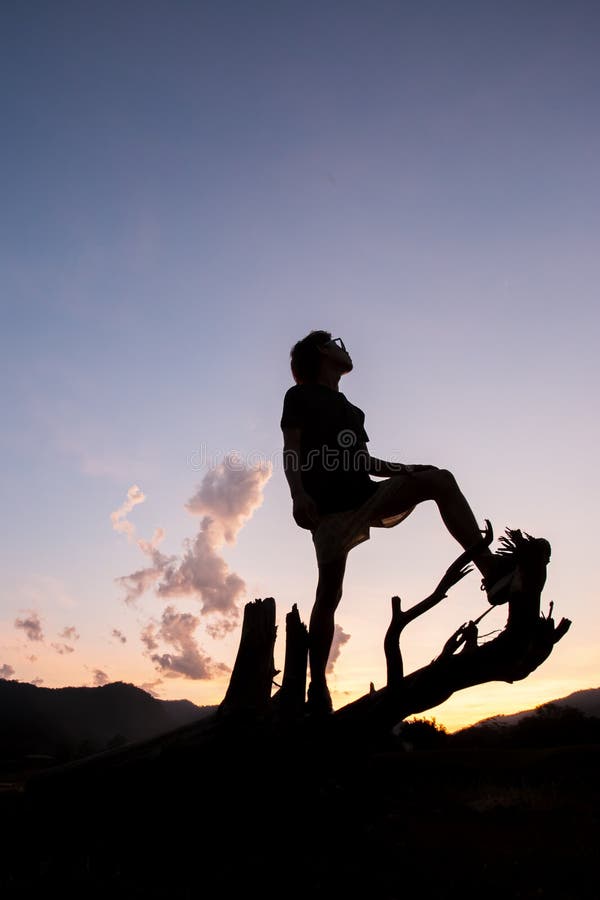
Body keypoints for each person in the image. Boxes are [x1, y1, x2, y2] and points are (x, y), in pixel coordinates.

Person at [280, 330, 516, 716]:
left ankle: (492, 573)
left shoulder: (352, 411)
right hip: (328, 511)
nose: (343, 348)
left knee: (440, 478)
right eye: (334, 343)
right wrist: (297, 494)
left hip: (366, 495)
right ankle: (317, 685)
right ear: (321, 352)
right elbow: (291, 449)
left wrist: (409, 471)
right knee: (329, 595)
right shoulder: (300, 396)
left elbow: (365, 463)